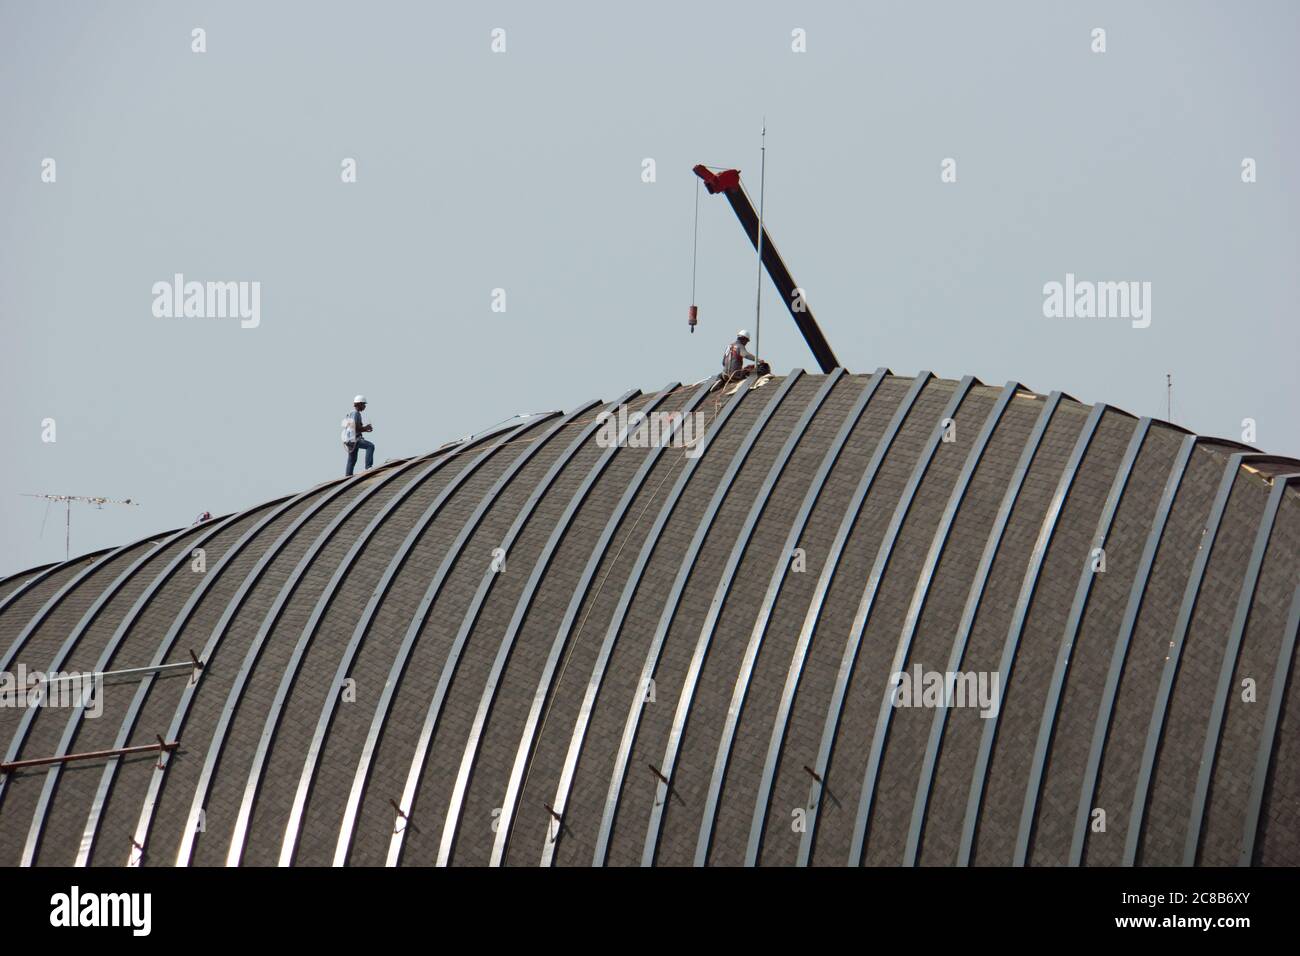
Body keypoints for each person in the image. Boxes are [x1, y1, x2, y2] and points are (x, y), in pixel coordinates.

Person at [344, 394, 375, 476]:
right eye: (363, 404)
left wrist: (365, 429)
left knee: (352, 459)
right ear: (359, 404)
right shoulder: (355, 413)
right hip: (353, 439)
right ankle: (368, 467)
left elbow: (354, 428)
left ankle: (348, 475)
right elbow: (354, 427)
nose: (364, 406)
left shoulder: (350, 413)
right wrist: (365, 428)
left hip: (349, 440)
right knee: (370, 446)